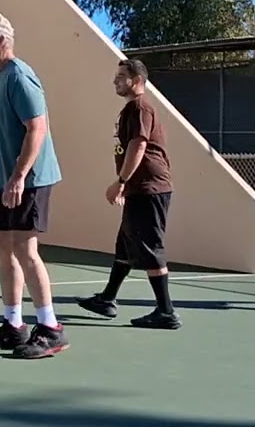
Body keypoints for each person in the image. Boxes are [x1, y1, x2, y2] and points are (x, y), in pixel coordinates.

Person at [0, 12, 69, 359]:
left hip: (31, 179)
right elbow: (1, 134)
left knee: (25, 248)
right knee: (3, 244)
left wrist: (20, 177)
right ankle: (13, 325)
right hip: (8, 179)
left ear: (3, 40)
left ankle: (50, 328)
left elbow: (37, 129)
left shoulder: (20, 77)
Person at [75, 58, 181, 329]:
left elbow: (139, 145)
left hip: (149, 188)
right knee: (126, 244)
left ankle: (166, 312)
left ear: (136, 81)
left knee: (150, 247)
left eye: (121, 76)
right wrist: (126, 184)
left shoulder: (140, 107)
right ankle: (107, 299)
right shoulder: (131, 108)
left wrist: (121, 181)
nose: (115, 81)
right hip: (138, 188)